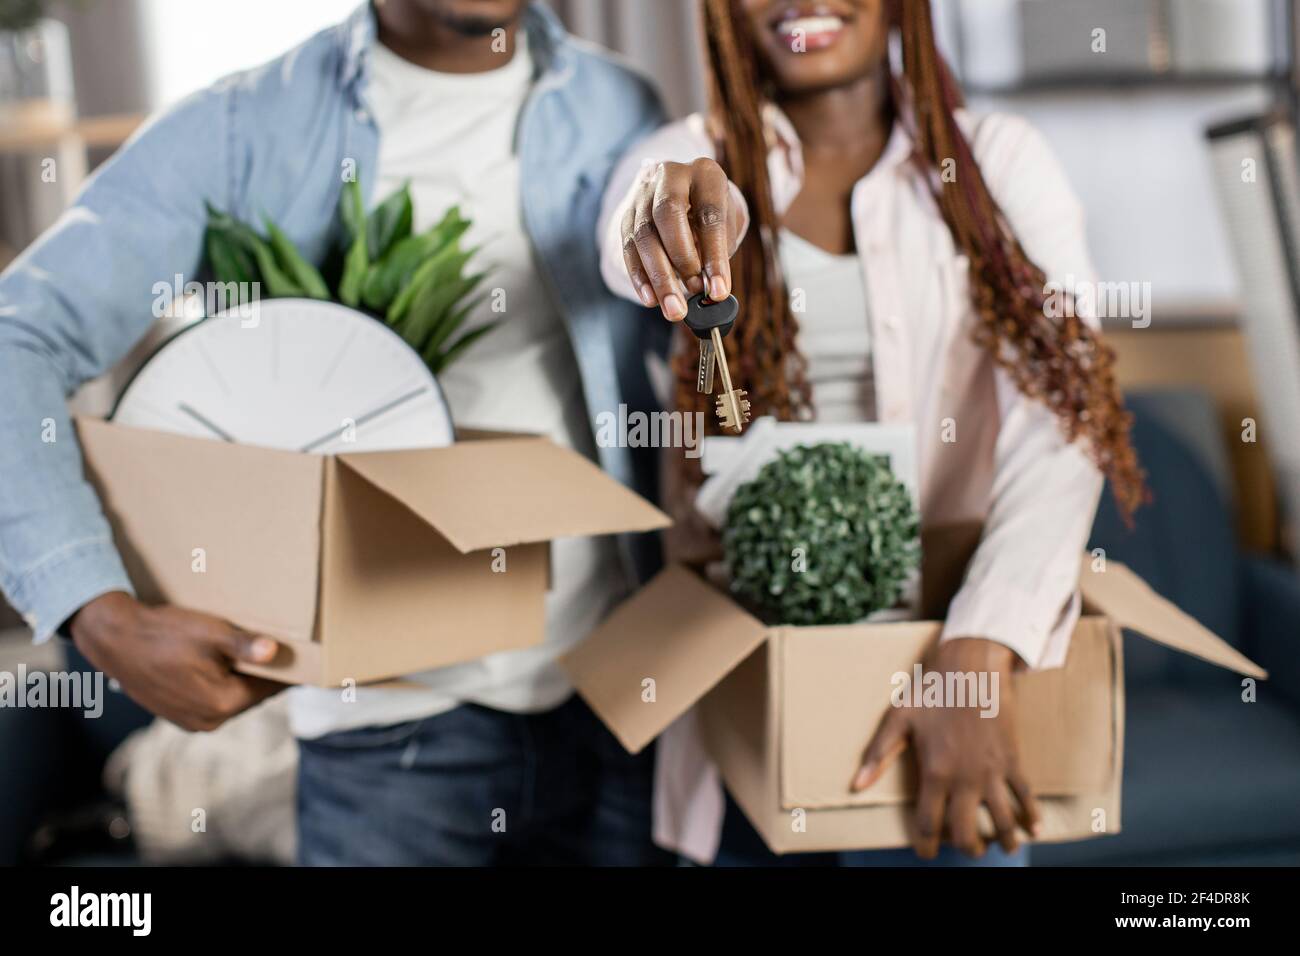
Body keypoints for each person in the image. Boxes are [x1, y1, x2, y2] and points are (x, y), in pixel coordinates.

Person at [0, 0, 672, 866]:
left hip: (620, 692)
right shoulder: (247, 126)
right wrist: (96, 613)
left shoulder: (622, 106)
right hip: (388, 735)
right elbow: (19, 339)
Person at [598, 0, 1144, 864]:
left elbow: (1061, 422)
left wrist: (977, 651)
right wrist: (658, 215)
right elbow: (629, 226)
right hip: (757, 697)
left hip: (956, 690)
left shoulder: (997, 161)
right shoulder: (690, 159)